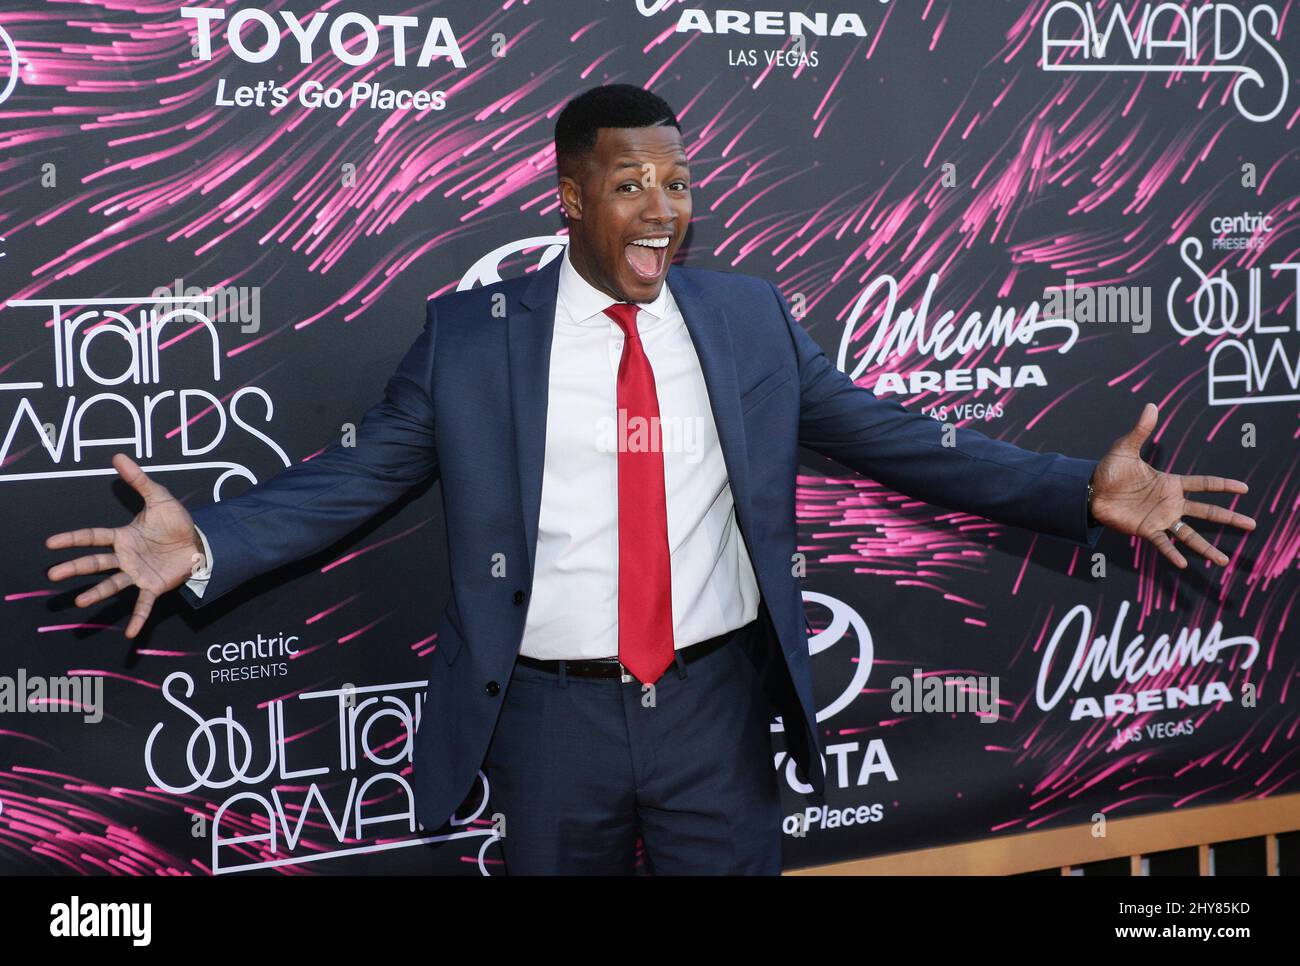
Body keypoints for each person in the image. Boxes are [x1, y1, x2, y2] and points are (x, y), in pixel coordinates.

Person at [44, 84, 1256, 875]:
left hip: (713, 711)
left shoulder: (745, 319)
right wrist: (203, 544)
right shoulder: (476, 336)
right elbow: (354, 477)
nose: (663, 209)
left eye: (678, 183)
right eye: (631, 185)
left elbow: (893, 436)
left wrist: (1072, 489)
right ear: (570, 196)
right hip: (547, 716)